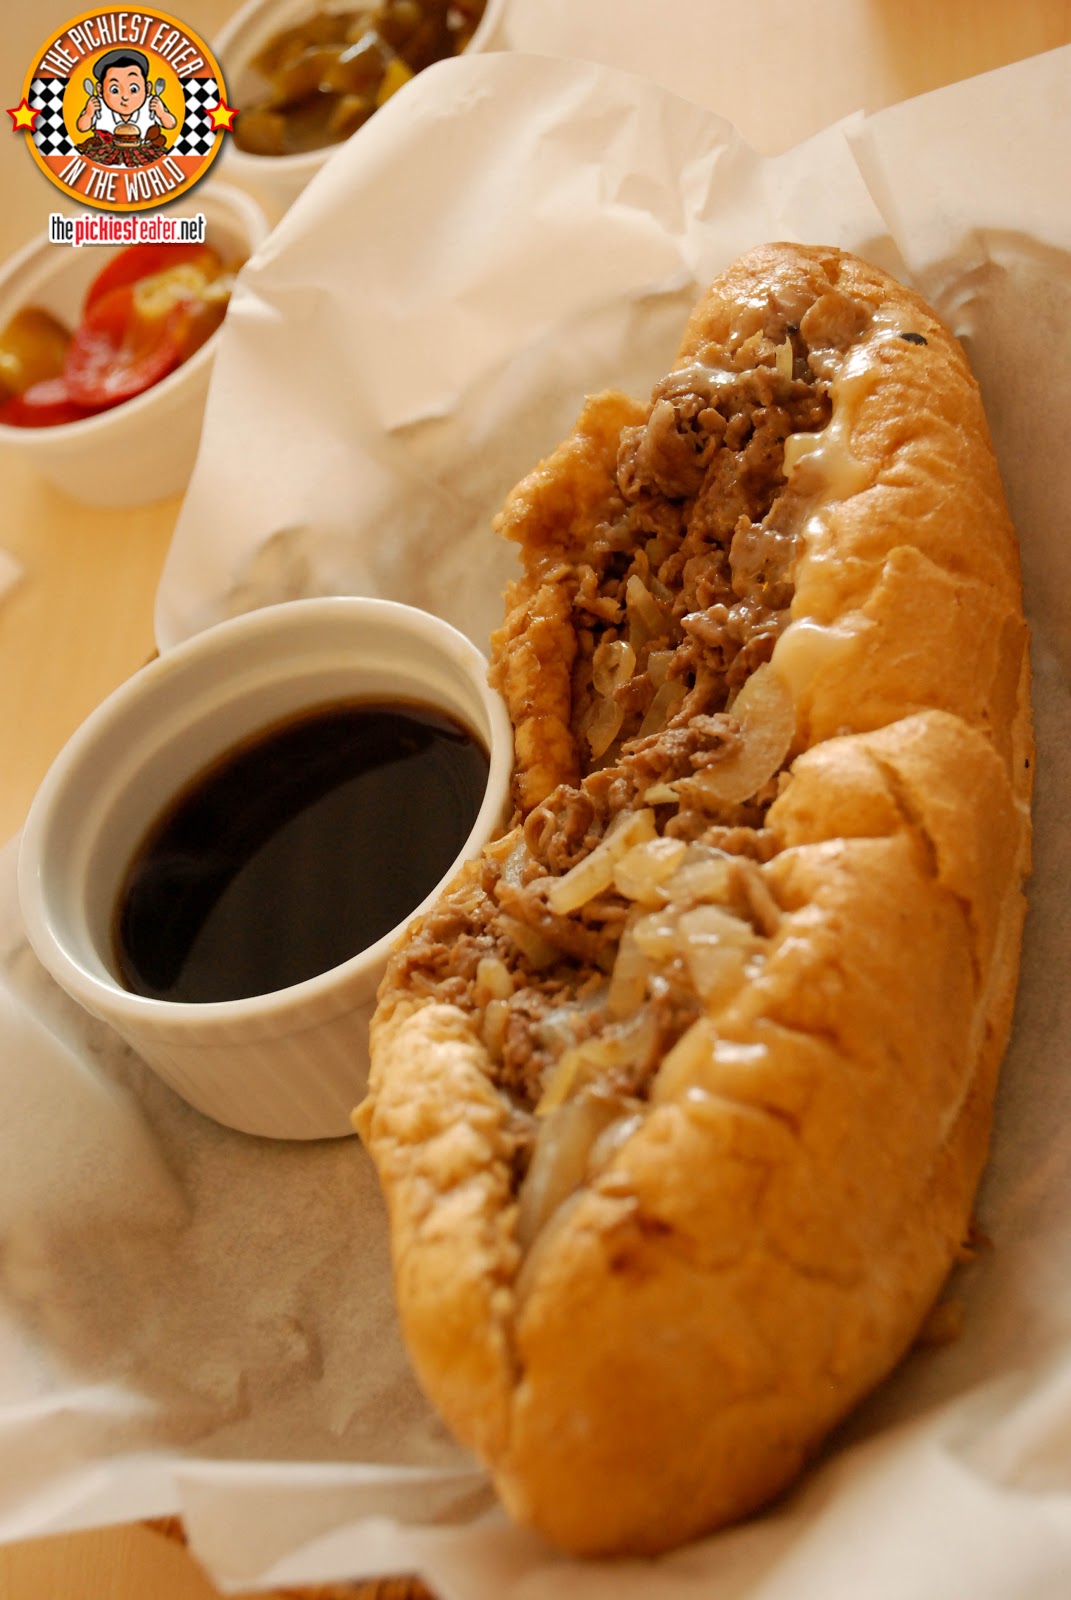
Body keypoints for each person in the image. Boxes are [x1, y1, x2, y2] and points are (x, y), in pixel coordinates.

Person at [76, 49, 176, 138]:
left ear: (147, 89)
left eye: (133, 89)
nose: (125, 96)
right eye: (115, 90)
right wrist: (89, 114)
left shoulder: (152, 104)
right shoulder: (97, 105)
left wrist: (162, 114)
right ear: (100, 90)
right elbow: (82, 128)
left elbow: (171, 125)